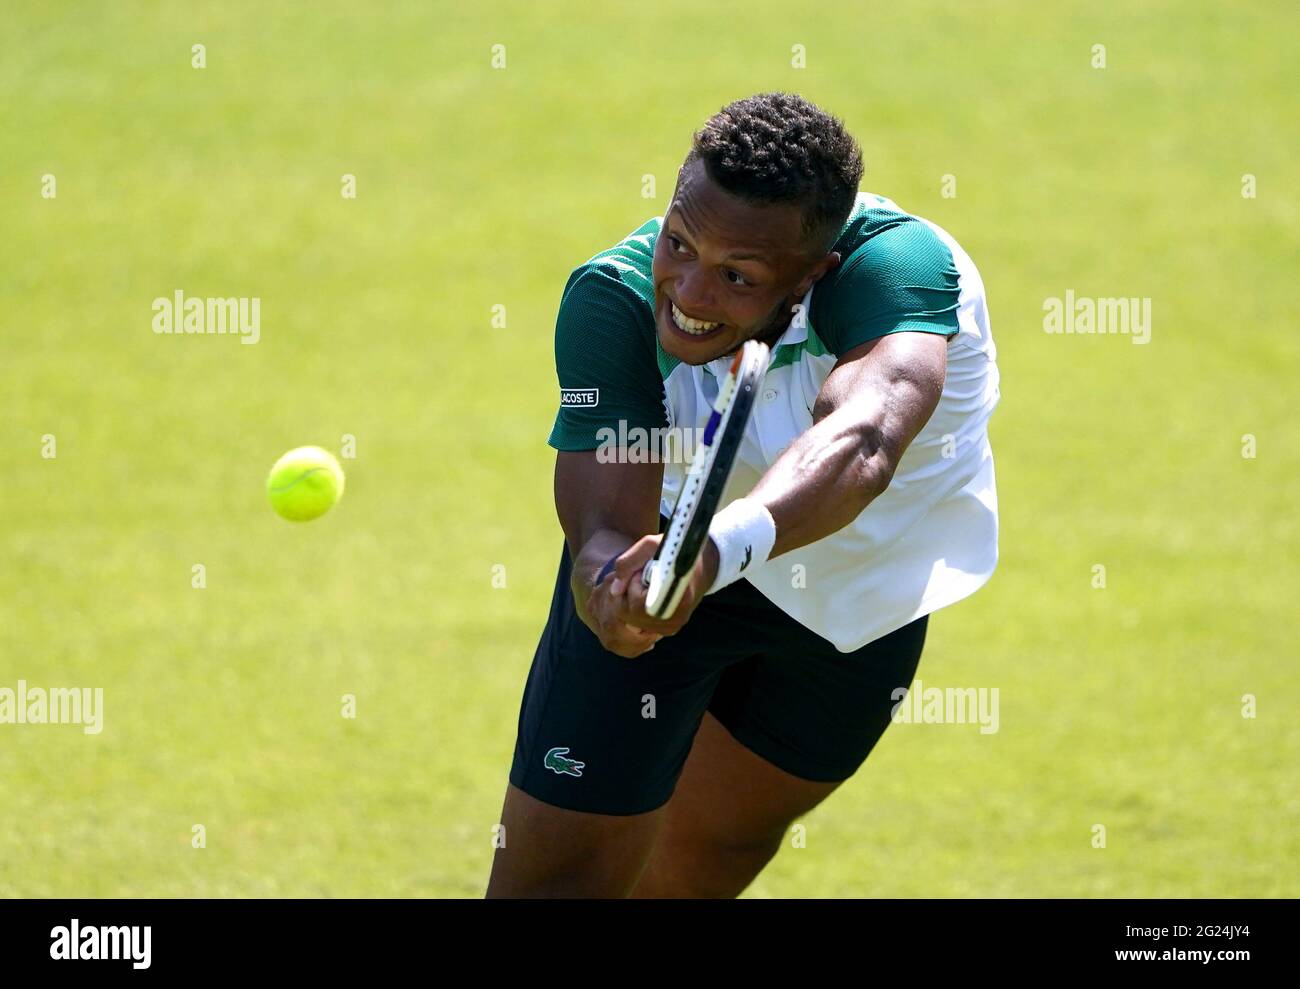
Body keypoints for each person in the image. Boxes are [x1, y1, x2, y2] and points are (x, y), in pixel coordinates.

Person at [487, 92, 1000, 897]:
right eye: (680, 242)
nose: (689, 293)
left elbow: (862, 441)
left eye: (737, 275)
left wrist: (718, 551)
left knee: (706, 861)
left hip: (854, 601)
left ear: (811, 274)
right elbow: (605, 527)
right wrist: (608, 591)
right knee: (557, 883)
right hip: (672, 561)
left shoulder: (898, 274)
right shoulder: (615, 301)